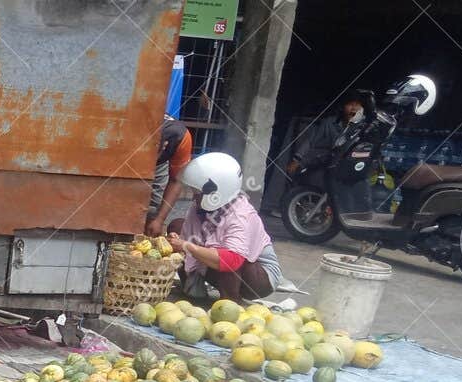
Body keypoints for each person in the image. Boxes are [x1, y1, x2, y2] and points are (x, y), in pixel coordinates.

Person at [167, 152, 281, 302]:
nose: (194, 197)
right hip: (222, 256)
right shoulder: (201, 208)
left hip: (259, 278)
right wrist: (179, 241)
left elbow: (232, 259)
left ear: (217, 192)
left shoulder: (241, 215)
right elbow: (189, 237)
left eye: (197, 193)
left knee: (227, 257)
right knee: (176, 226)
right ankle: (194, 287)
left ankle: (230, 302)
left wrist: (186, 246)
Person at [287, 92, 367, 177]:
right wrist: (296, 160)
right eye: (350, 104)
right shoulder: (329, 122)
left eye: (357, 105)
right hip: (327, 165)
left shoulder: (366, 127)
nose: (354, 108)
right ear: (343, 107)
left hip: (351, 168)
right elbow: (310, 141)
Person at [145, 115, 194, 236]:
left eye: (155, 155)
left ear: (164, 145)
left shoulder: (181, 138)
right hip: (128, 159)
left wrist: (159, 220)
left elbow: (176, 180)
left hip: (160, 164)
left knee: (153, 210)